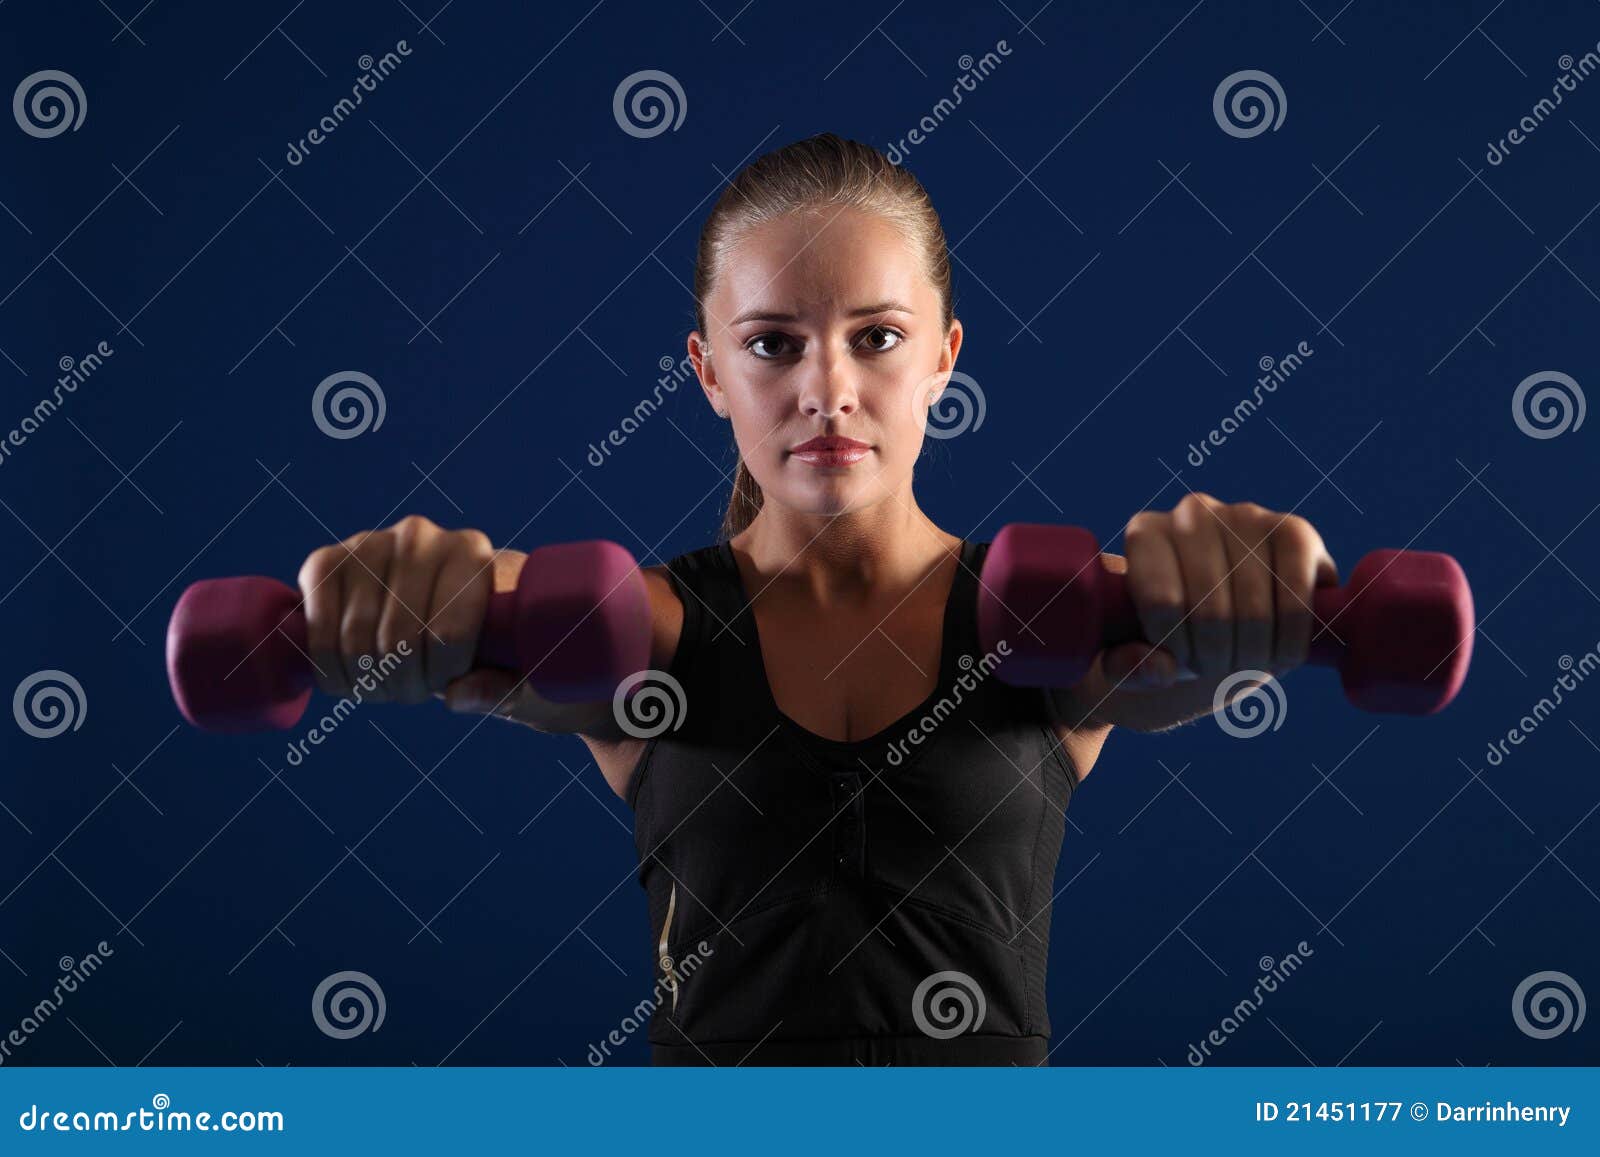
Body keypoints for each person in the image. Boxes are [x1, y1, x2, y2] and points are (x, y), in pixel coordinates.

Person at [294, 133, 1338, 1066]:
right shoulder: (642, 634)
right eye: (773, 342)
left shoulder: (1044, 619)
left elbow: (1164, 675)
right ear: (708, 372)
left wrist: (1242, 607)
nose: (826, 387)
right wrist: (417, 594)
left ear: (944, 356)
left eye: (876, 337)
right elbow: (513, 619)